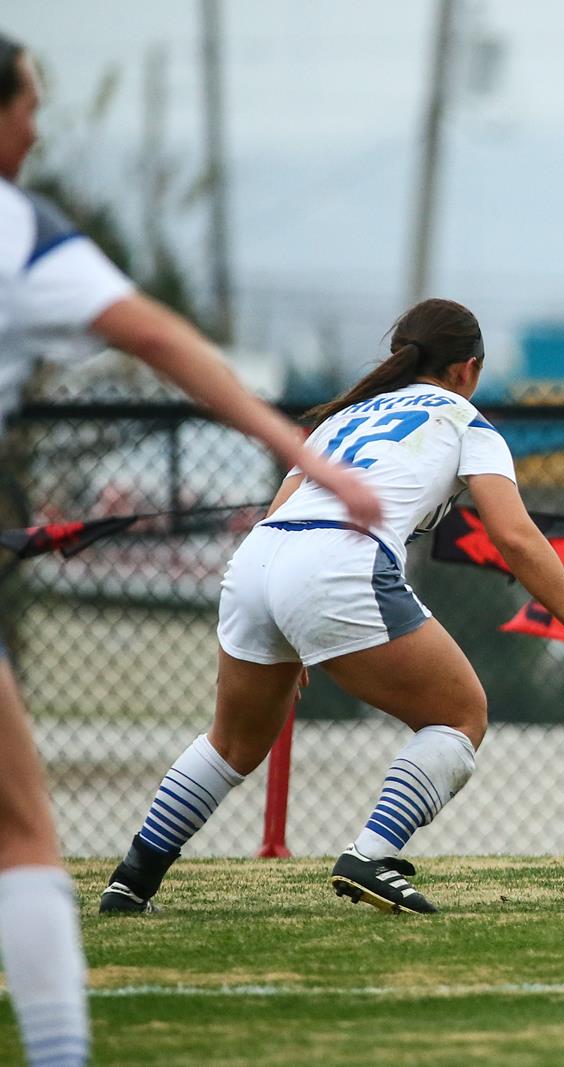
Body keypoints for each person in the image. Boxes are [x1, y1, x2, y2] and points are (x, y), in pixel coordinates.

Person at [0, 35, 380, 1067]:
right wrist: (310, 458)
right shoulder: (17, 228)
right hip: (300, 565)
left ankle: (136, 873)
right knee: (22, 832)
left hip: (255, 574)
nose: (37, 126)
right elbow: (162, 339)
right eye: (31, 104)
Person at [99, 298, 564, 916]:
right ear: (469, 369)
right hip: (336, 564)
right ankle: (371, 857)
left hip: (259, 561)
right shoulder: (465, 421)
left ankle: (131, 881)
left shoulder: (343, 418)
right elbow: (515, 537)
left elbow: (279, 508)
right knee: (460, 716)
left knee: (231, 745)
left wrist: (290, 629)